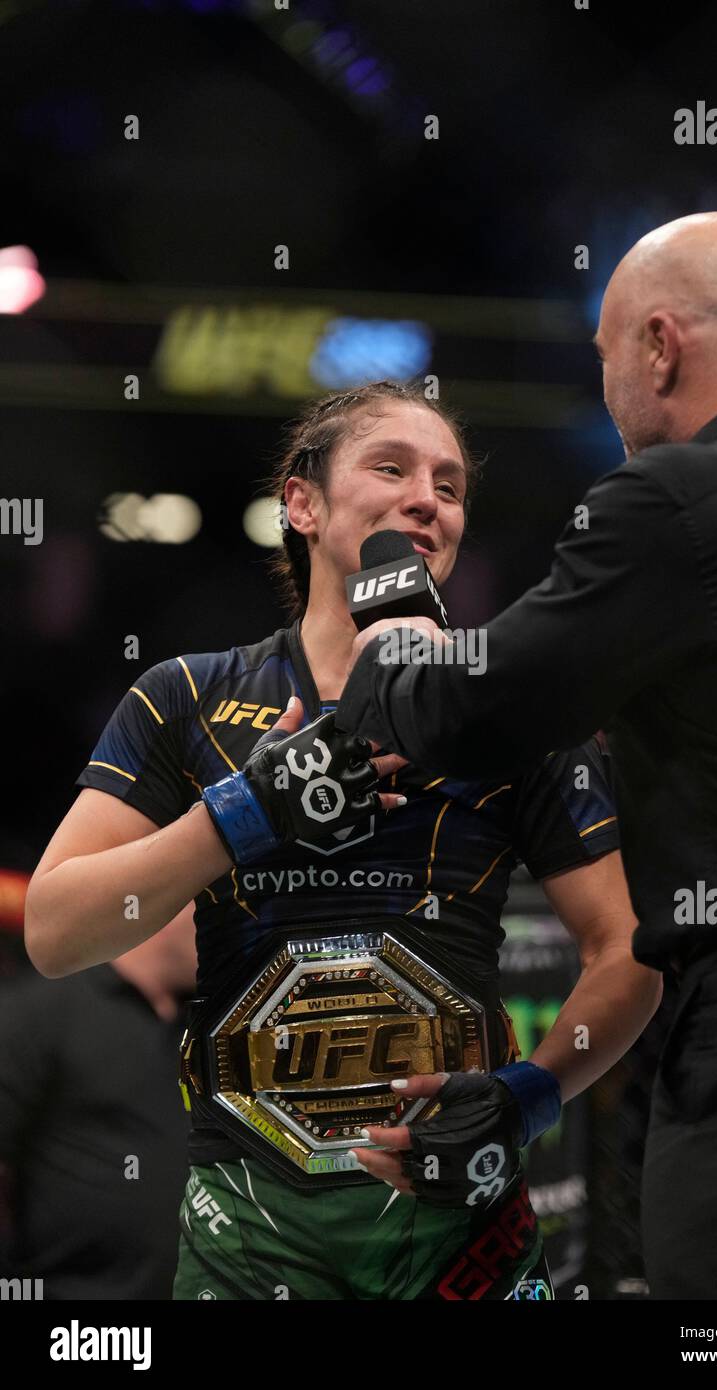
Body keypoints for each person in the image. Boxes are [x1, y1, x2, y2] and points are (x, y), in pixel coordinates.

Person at [24, 381, 661, 1301]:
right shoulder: (186, 697)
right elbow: (54, 931)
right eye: (391, 468)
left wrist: (530, 1096)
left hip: (457, 1218)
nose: (426, 498)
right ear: (302, 503)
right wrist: (243, 814)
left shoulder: (515, 713)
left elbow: (627, 951)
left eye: (449, 485)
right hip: (251, 1227)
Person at [337, 215, 717, 1300]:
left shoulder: (683, 498)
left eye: (608, 361)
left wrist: (393, 616)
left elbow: (461, 713)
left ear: (659, 346)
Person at [0, 904, 196, 1300]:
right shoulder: (41, 1009)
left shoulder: (205, 1028)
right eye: (216, 909)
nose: (240, 927)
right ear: (170, 906)